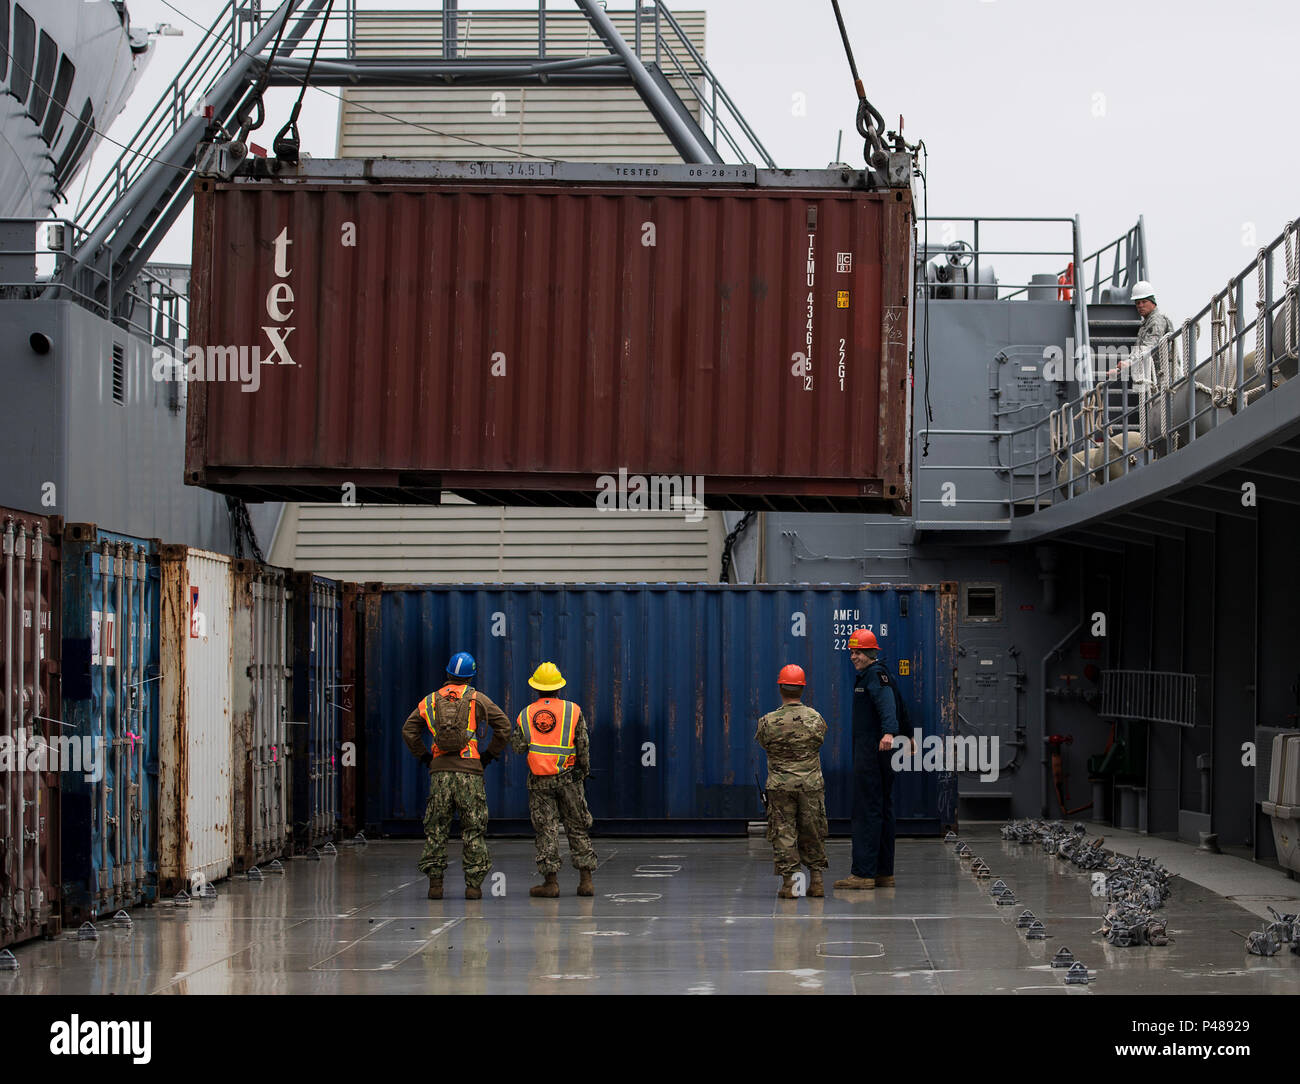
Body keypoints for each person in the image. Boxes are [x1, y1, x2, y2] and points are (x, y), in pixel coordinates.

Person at [401, 651, 510, 900]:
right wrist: (488, 755)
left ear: (448, 673)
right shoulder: (478, 700)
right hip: (470, 773)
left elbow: (409, 731)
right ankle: (473, 887)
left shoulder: (429, 701)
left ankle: (435, 886)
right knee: (473, 829)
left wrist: (426, 757)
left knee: (437, 828)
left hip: (440, 773)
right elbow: (503, 727)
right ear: (471, 677)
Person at [510, 662, 598, 897]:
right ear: (559, 688)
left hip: (540, 782)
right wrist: (584, 771)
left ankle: (551, 883)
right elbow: (583, 745)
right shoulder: (573, 711)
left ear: (536, 688)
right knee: (577, 826)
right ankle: (586, 881)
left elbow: (518, 747)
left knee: (546, 829)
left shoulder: (525, 714)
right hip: (570, 779)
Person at [834, 628, 913, 890]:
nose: (853, 656)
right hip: (881, 752)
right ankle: (883, 873)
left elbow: (888, 705)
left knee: (866, 810)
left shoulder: (873, 676)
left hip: (872, 751)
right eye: (852, 652)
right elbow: (900, 703)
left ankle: (863, 874)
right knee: (882, 810)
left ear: (870, 653)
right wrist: (908, 734)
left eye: (857, 652)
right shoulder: (883, 674)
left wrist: (890, 732)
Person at [755, 664, 829, 898]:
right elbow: (819, 741)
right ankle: (816, 882)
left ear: (780, 688)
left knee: (784, 832)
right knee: (813, 830)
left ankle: (790, 885)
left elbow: (764, 743)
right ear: (802, 689)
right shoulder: (815, 719)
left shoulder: (767, 721)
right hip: (810, 785)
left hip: (780, 786)